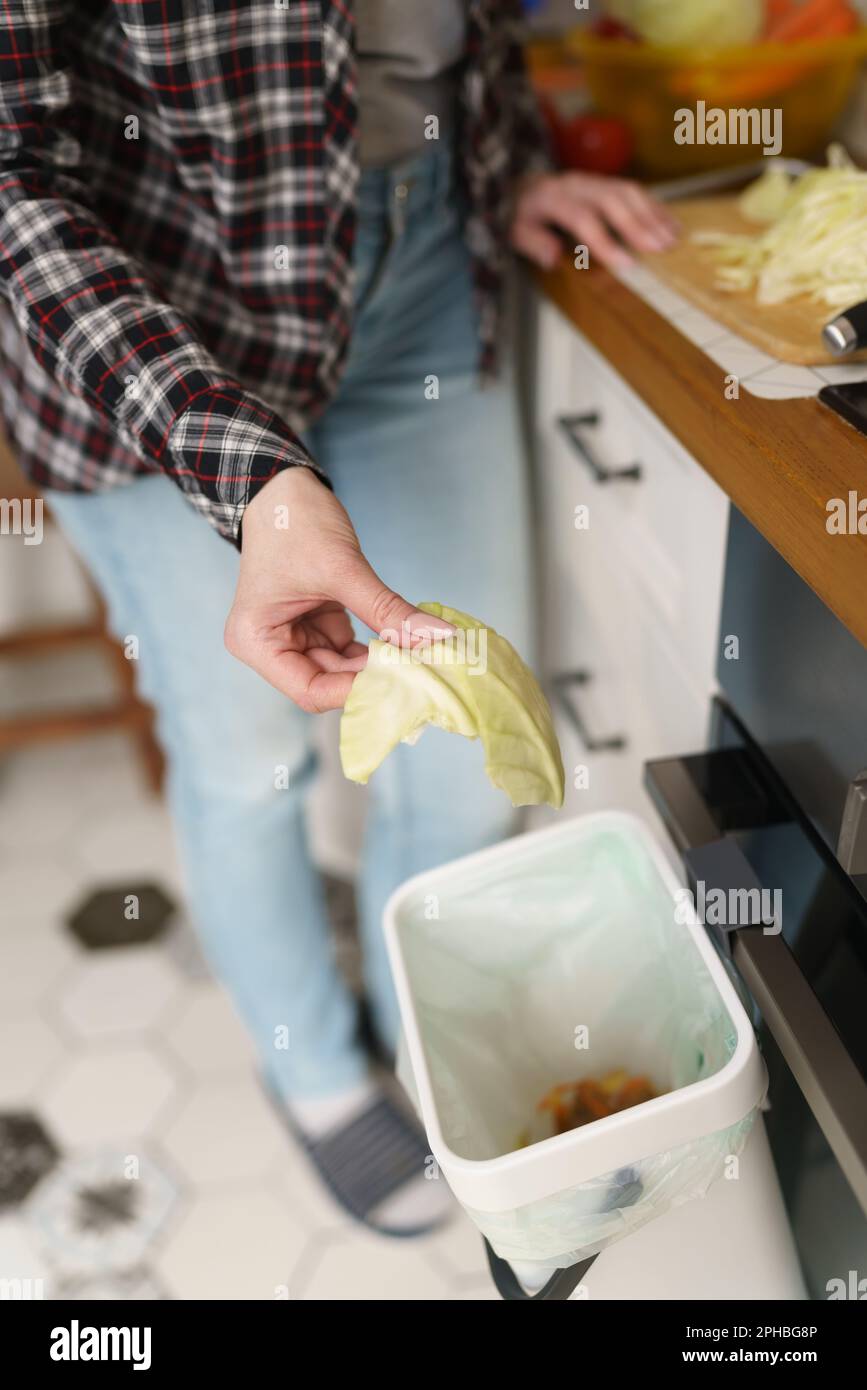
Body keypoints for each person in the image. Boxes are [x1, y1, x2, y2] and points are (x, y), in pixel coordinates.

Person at [0, 2, 676, 1235]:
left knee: (469, 742)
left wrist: (499, 163)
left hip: (419, 270)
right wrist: (247, 471)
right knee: (248, 761)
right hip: (157, 316)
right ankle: (312, 1066)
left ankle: (424, 1042)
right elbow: (9, 176)